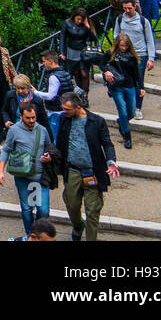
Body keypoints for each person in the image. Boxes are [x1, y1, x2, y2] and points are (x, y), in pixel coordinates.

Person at [55, 91, 119, 241]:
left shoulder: (97, 121)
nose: (64, 112)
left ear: (77, 106)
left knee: (93, 212)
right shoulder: (64, 119)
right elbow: (60, 142)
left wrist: (111, 161)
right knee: (72, 205)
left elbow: (107, 143)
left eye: (67, 109)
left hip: (93, 172)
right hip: (72, 171)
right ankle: (77, 225)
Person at [0, 101, 56, 237]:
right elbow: (6, 150)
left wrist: (49, 157)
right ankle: (31, 236)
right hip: (23, 177)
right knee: (27, 210)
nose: (31, 121)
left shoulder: (42, 130)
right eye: (28, 118)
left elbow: (50, 148)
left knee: (43, 211)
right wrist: (1, 171)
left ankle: (38, 234)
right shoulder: (14, 130)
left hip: (41, 178)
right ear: (20, 116)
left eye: (33, 117)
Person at [112, 0, 155, 113]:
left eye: (129, 8)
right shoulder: (120, 19)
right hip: (124, 54)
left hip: (140, 55)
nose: (127, 10)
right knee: (124, 80)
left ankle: (138, 108)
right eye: (125, 8)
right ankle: (128, 104)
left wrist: (151, 58)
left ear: (135, 6)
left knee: (138, 81)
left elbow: (150, 40)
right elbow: (116, 34)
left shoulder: (143, 21)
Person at [102, 33, 141, 148]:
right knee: (123, 111)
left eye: (126, 46)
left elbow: (136, 74)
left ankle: (122, 122)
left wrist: (141, 87)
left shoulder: (132, 56)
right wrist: (106, 71)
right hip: (116, 86)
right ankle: (127, 136)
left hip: (130, 85)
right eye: (121, 45)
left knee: (132, 112)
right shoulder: (111, 53)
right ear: (117, 44)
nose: (123, 48)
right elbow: (101, 63)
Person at [60, 8, 97, 95]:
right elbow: (63, 38)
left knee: (84, 74)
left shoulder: (86, 25)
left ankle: (85, 95)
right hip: (72, 51)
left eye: (81, 19)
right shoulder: (67, 23)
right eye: (78, 19)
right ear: (74, 16)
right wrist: (62, 52)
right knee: (76, 73)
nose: (79, 21)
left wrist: (88, 27)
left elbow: (94, 39)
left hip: (84, 52)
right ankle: (79, 94)